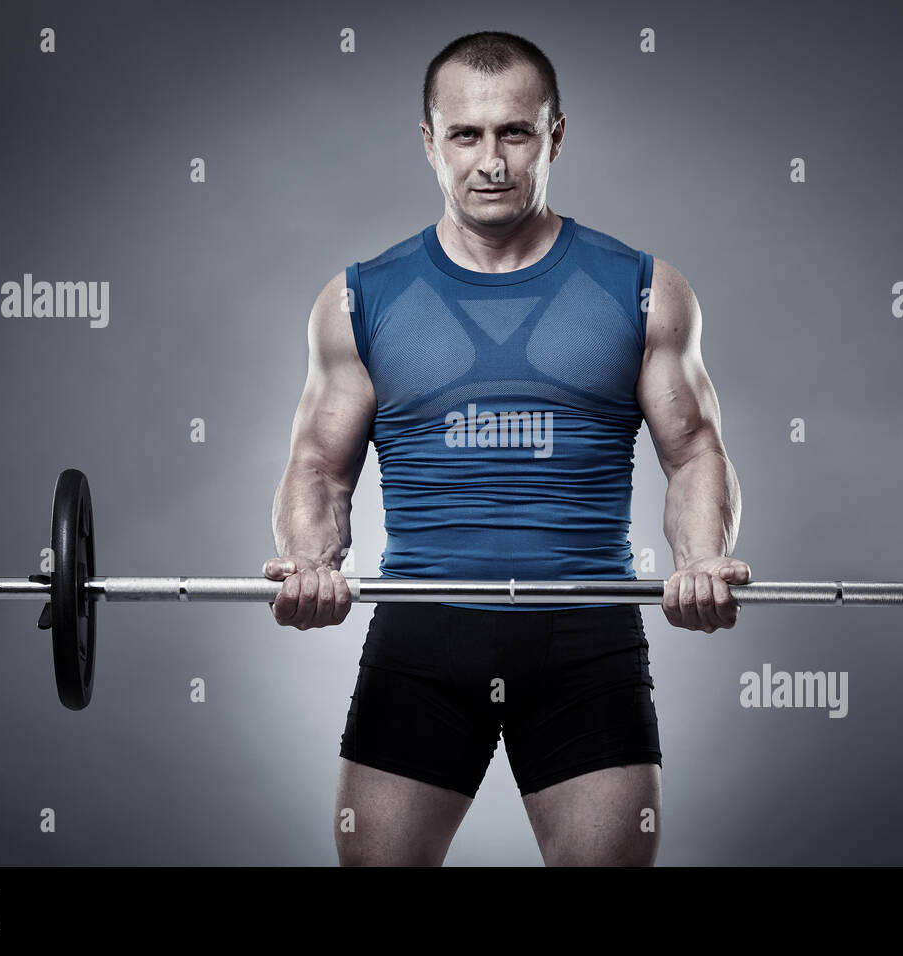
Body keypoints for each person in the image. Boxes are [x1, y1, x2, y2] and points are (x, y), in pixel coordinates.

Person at [264, 31, 750, 866]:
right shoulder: (358, 299)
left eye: (514, 133)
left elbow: (695, 451)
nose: (490, 161)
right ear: (430, 140)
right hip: (423, 635)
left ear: (554, 135)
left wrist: (700, 559)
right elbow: (318, 463)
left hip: (586, 633)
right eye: (465, 135)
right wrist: (311, 561)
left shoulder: (644, 290)